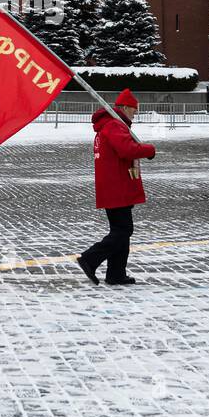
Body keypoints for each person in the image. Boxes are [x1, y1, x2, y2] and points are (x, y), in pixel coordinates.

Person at [77, 89, 156, 286]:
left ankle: (116, 273)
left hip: (113, 186)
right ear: (124, 108)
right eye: (133, 110)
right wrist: (149, 149)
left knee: (121, 230)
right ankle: (90, 258)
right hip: (117, 187)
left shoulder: (111, 125)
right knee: (122, 231)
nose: (135, 114)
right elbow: (126, 149)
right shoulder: (114, 125)